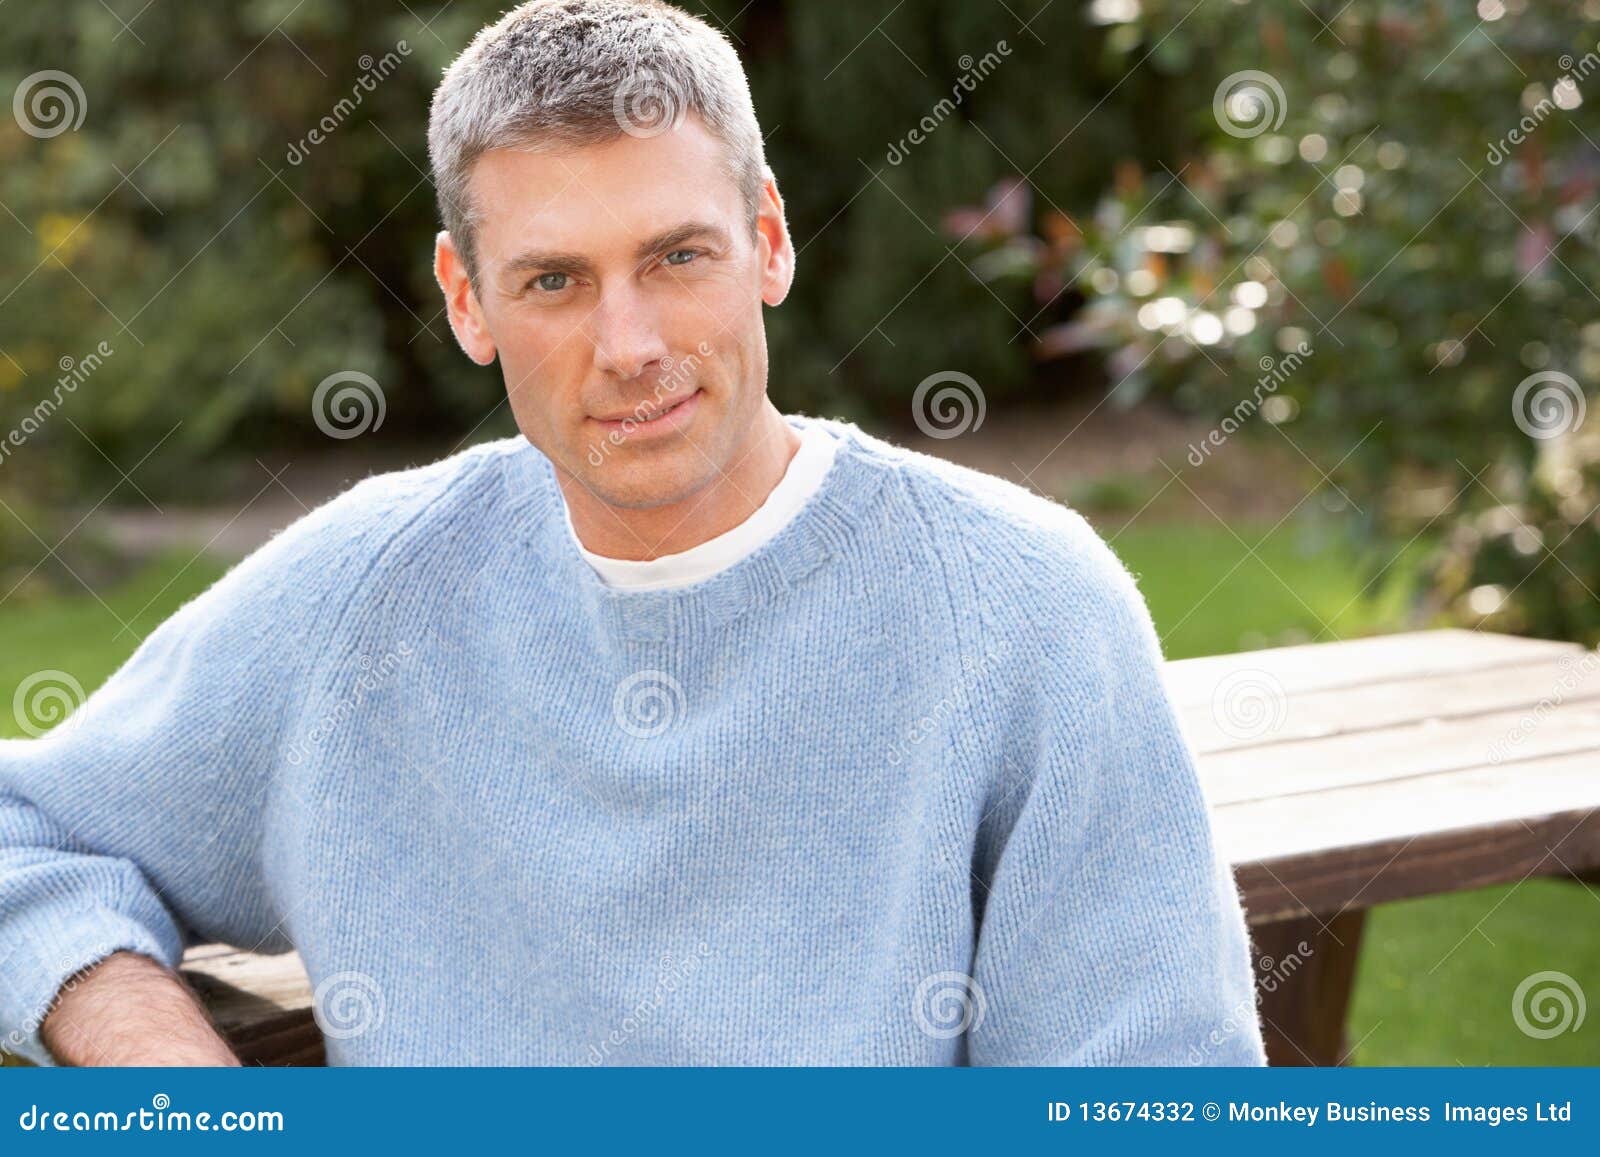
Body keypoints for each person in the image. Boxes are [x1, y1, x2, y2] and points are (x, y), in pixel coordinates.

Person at [0, 0, 1266, 1067]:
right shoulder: (362, 596)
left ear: (766, 239)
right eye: (555, 280)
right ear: (466, 299)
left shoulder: (1027, 610)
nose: (632, 347)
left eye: (675, 256)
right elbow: (26, 830)